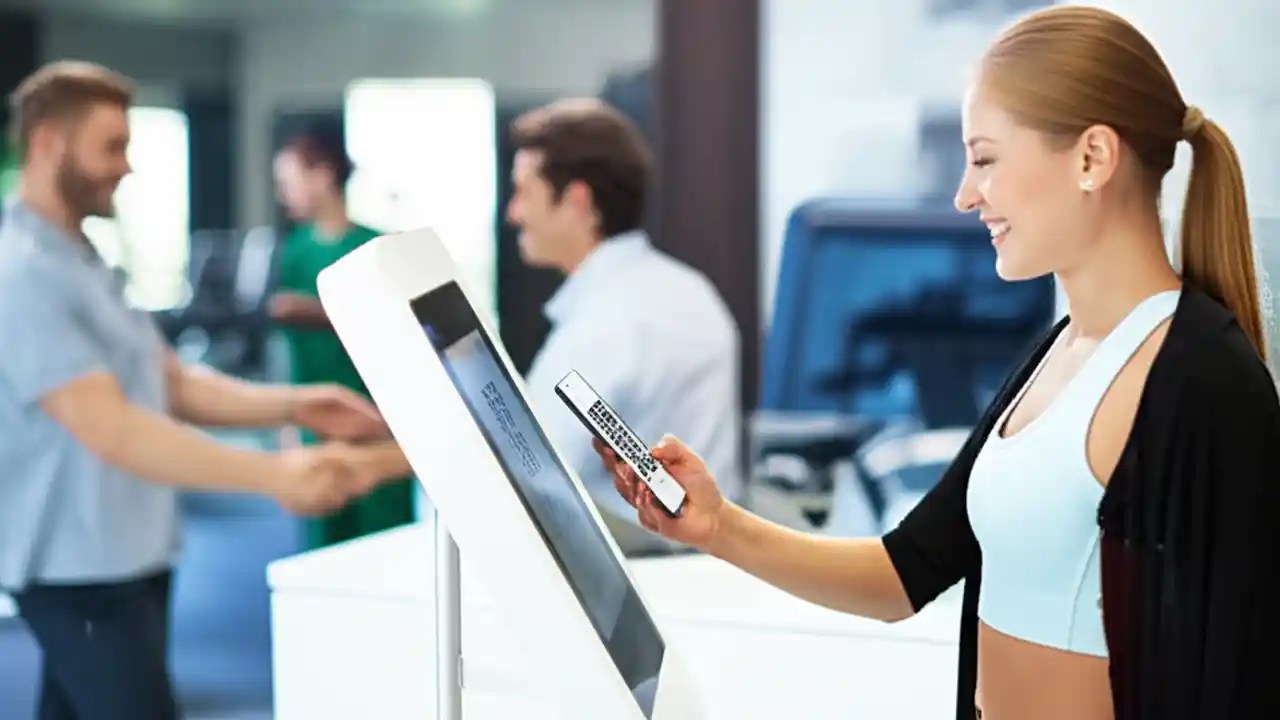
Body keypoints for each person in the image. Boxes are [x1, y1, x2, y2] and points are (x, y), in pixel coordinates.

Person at [599, 7, 1279, 720]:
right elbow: (908, 570)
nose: (964, 194)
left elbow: (1243, 673)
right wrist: (718, 527)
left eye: (985, 158)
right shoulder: (1057, 355)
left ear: (1092, 158)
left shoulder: (1203, 380)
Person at [0, 60, 386, 720]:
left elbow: (168, 382)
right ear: (47, 145)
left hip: (131, 549)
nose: (126, 166)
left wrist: (296, 403)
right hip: (78, 569)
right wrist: (272, 474)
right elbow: (110, 426)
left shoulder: (81, 256)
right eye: (112, 146)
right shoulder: (22, 273)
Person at [506, 98, 742, 554]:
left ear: (577, 202)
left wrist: (374, 465)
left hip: (639, 573)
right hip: (696, 565)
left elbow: (525, 469)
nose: (513, 213)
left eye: (524, 193)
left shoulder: (606, 324)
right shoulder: (687, 289)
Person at [268, 122, 417, 551]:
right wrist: (288, 421)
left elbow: (399, 330)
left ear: (322, 175)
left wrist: (316, 313)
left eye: (289, 181)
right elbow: (288, 352)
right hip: (317, 422)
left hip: (378, 422)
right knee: (323, 549)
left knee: (385, 545)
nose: (284, 194)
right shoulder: (294, 253)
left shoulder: (376, 248)